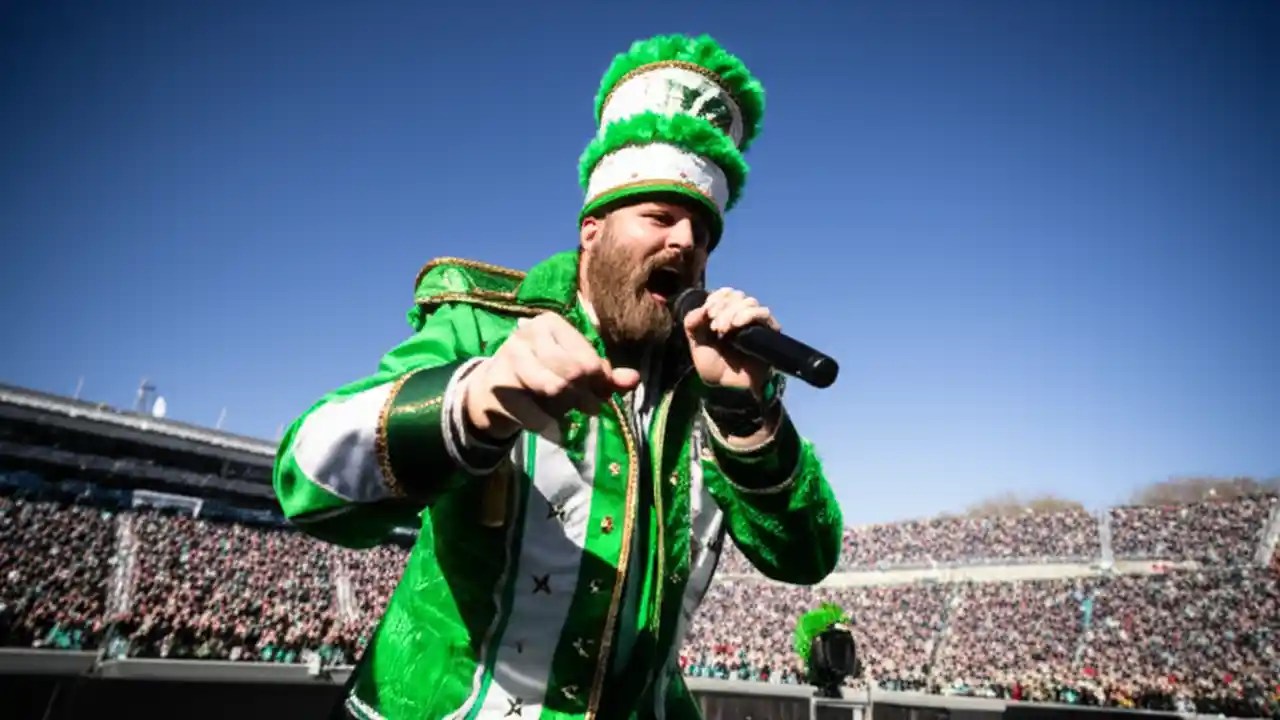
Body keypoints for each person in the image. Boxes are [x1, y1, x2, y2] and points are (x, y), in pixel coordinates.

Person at [273, 33, 844, 720]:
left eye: (703, 232)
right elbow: (306, 481)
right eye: (660, 216)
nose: (687, 244)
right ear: (592, 230)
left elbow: (806, 557)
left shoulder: (720, 382)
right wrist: (474, 402)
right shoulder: (484, 327)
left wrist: (744, 412)